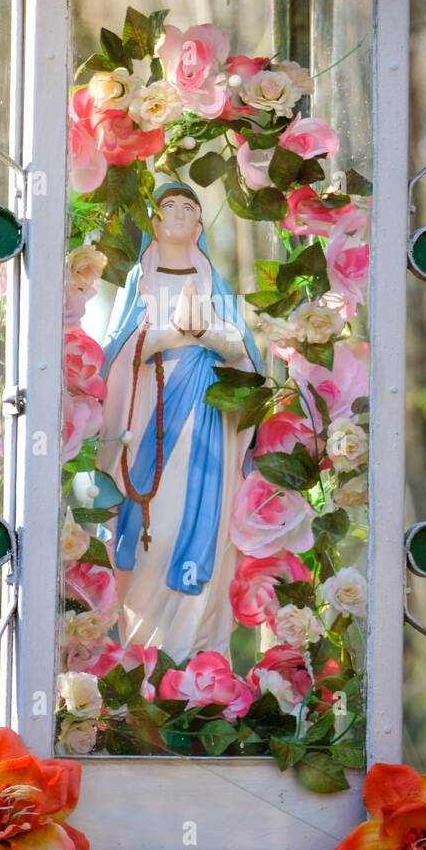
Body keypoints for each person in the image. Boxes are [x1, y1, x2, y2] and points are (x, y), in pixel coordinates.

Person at [97, 181, 260, 664]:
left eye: (188, 206)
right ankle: (142, 657)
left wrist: (213, 335)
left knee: (196, 528)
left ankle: (194, 656)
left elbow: (246, 362)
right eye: (168, 206)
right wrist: (164, 336)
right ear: (153, 222)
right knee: (152, 534)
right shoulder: (139, 284)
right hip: (146, 428)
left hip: (205, 431)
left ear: (198, 224)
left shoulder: (214, 283)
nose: (179, 213)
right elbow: (115, 358)